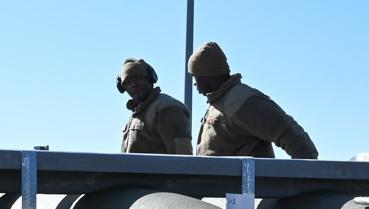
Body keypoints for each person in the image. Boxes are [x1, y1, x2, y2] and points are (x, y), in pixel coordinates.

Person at [187, 42, 318, 159]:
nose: (195, 84)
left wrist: (309, 176)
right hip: (222, 186)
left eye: (196, 77)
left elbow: (289, 133)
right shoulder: (220, 102)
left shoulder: (242, 101)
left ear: (208, 76)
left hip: (245, 186)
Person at [117, 58, 192, 154]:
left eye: (138, 78)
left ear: (150, 78)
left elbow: (182, 157)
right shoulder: (137, 114)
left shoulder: (167, 108)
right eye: (128, 82)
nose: (133, 84)